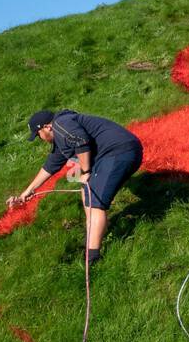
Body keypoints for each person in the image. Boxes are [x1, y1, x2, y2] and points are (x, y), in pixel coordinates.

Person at [7, 109, 144, 264]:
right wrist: (26, 193)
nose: (40, 139)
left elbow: (80, 140)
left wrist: (85, 172)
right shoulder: (60, 140)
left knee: (95, 201)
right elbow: (49, 167)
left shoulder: (61, 124)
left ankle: (92, 258)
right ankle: (93, 236)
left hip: (119, 151)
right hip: (114, 154)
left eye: (38, 135)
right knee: (86, 193)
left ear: (46, 127)